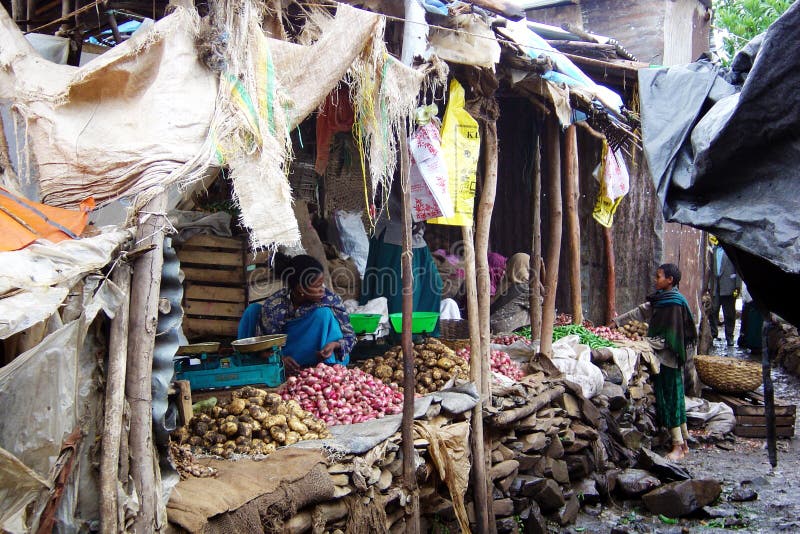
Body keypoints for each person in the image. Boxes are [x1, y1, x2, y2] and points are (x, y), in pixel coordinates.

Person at [612, 263, 697, 460]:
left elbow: (669, 339)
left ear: (670, 280)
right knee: (676, 396)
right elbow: (642, 311)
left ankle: (677, 446)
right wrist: (616, 322)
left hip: (668, 358)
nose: (655, 280)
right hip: (667, 358)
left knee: (670, 398)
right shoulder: (662, 299)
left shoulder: (673, 304)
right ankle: (684, 443)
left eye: (659, 277)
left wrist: (644, 342)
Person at [360, 179, 442, 335]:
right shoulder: (398, 167)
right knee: (399, 291)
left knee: (433, 283)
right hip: (395, 235)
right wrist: (414, 215)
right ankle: (398, 336)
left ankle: (419, 333)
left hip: (412, 234)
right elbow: (402, 187)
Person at [257, 254, 355, 376]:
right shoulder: (275, 306)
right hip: (291, 359)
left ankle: (328, 370)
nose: (322, 289)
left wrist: (335, 345)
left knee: (323, 313)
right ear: (300, 289)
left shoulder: (330, 300)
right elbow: (263, 347)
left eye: (322, 284)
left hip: (326, 360)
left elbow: (350, 336)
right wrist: (280, 359)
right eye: (317, 286)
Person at [709, 243, 741, 347]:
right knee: (713, 310)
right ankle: (713, 334)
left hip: (728, 285)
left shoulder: (731, 250)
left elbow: (738, 268)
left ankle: (729, 337)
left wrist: (737, 286)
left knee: (729, 314)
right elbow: (710, 268)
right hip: (715, 285)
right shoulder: (714, 250)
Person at [490, 253, 531, 333]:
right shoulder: (525, 288)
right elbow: (545, 307)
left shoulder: (503, 283)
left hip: (491, 326)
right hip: (503, 329)